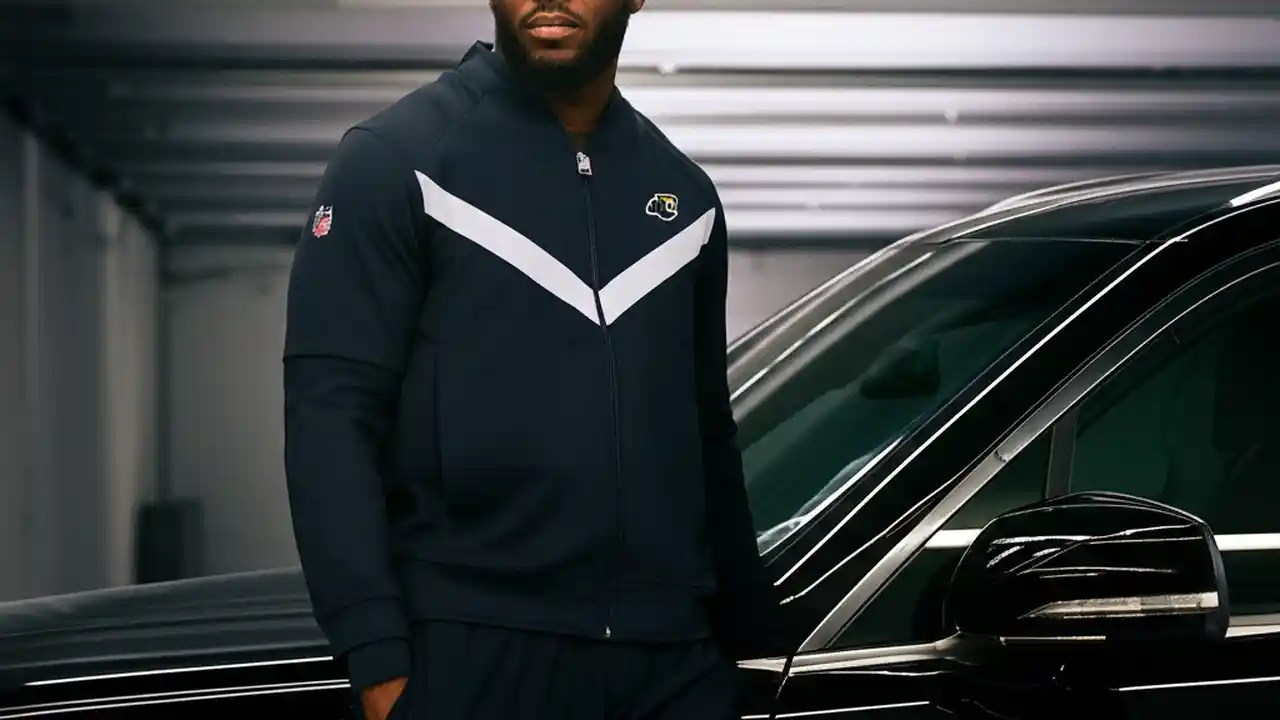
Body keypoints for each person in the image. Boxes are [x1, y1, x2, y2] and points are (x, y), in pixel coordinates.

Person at [282, 1, 783, 718]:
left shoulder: (685, 197)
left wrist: (749, 642)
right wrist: (375, 653)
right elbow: (329, 413)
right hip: (473, 649)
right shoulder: (395, 161)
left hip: (671, 658)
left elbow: (707, 435)